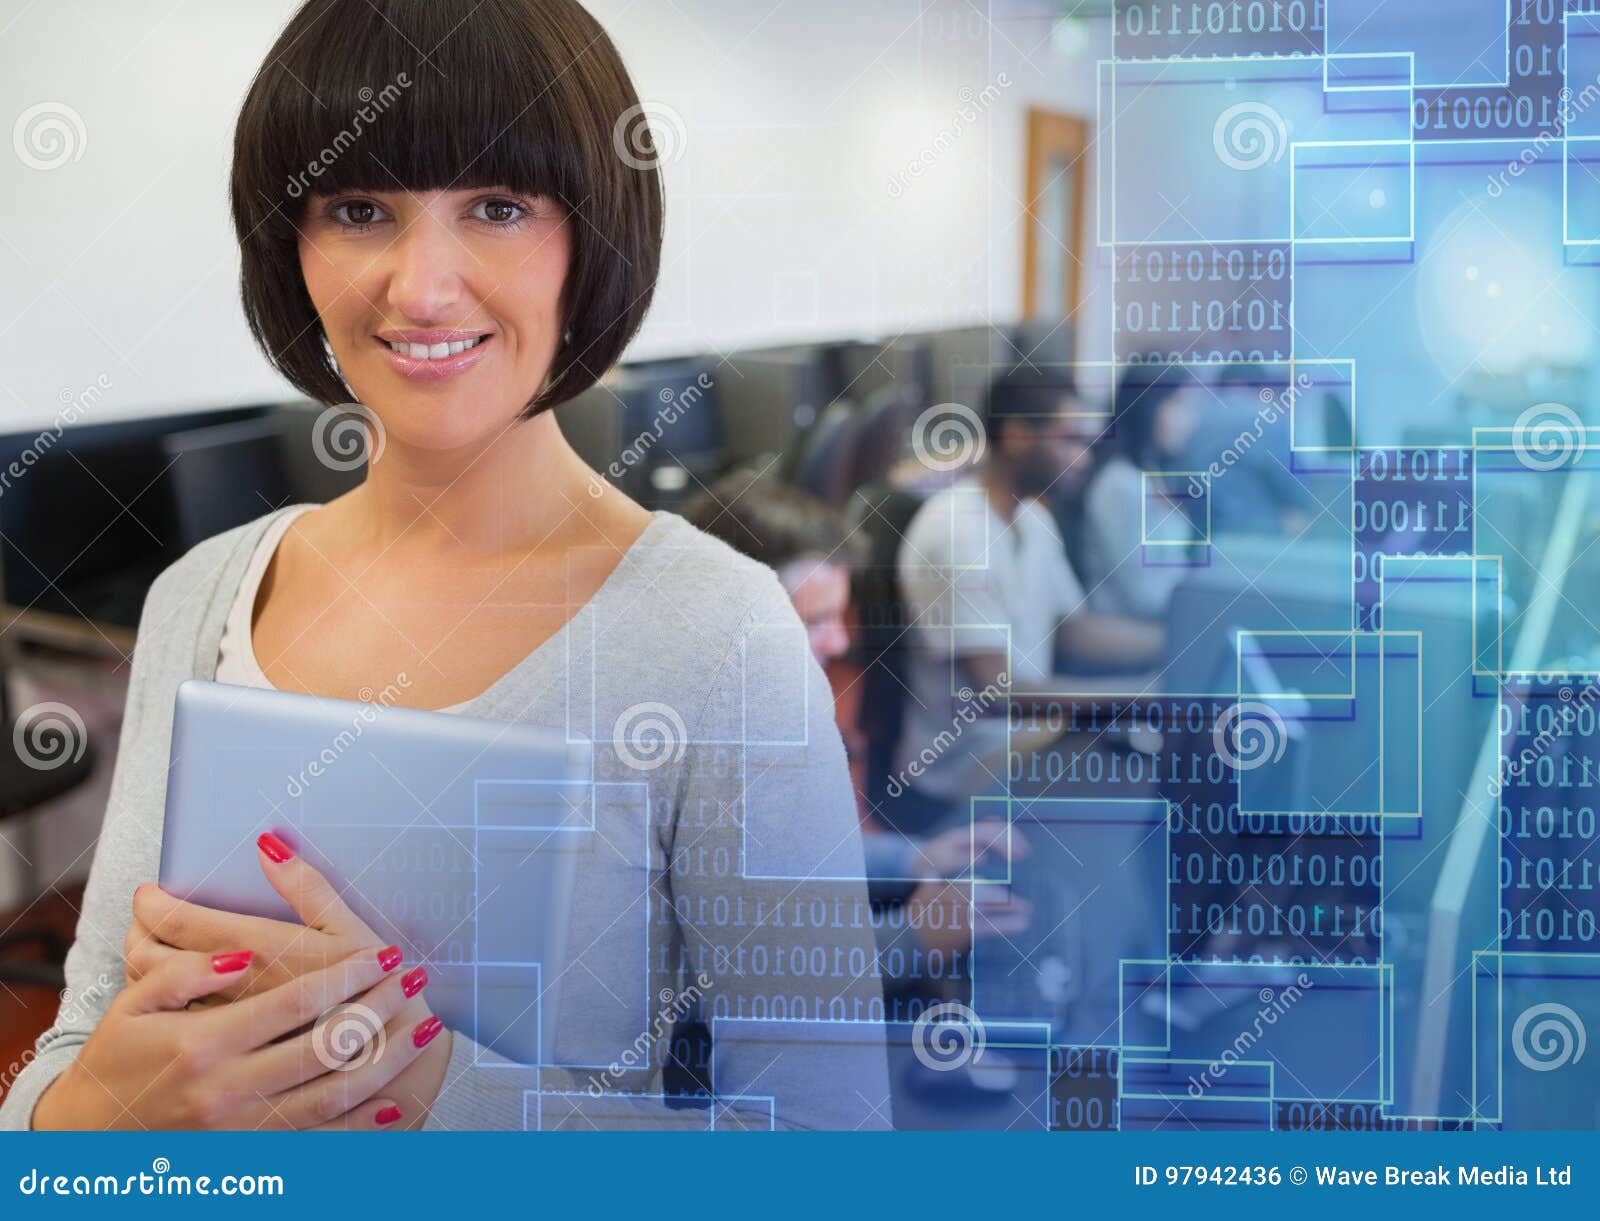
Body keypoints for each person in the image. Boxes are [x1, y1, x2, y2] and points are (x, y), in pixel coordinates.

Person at [3, 0, 885, 1133]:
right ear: (292, 246)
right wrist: (89, 1113)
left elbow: (829, 1140)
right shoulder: (202, 595)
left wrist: (430, 1090)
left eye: (498, 207)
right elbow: (78, 1046)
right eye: (359, 209)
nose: (421, 288)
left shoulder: (719, 633)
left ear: (592, 240)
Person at [686, 472, 1031, 958]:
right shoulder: (695, 767)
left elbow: (800, 855)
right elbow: (753, 969)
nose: (839, 642)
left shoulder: (750, 718)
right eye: (815, 622)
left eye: (839, 617)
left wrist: (914, 859)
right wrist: (912, 937)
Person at [894, 365, 1164, 820]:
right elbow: (997, 692)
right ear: (1018, 436)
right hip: (965, 779)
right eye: (1069, 441)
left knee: (1160, 784)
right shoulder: (958, 534)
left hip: (1029, 744)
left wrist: (1176, 643)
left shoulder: (1033, 518)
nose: (1084, 458)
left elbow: (1072, 631)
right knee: (1142, 808)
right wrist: (1132, 697)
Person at [1077, 361, 1207, 622]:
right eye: (1178, 405)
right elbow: (1143, 595)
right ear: (1147, 407)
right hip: (1128, 633)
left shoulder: (1148, 472)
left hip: (1161, 621)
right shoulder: (1121, 484)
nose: (1190, 421)